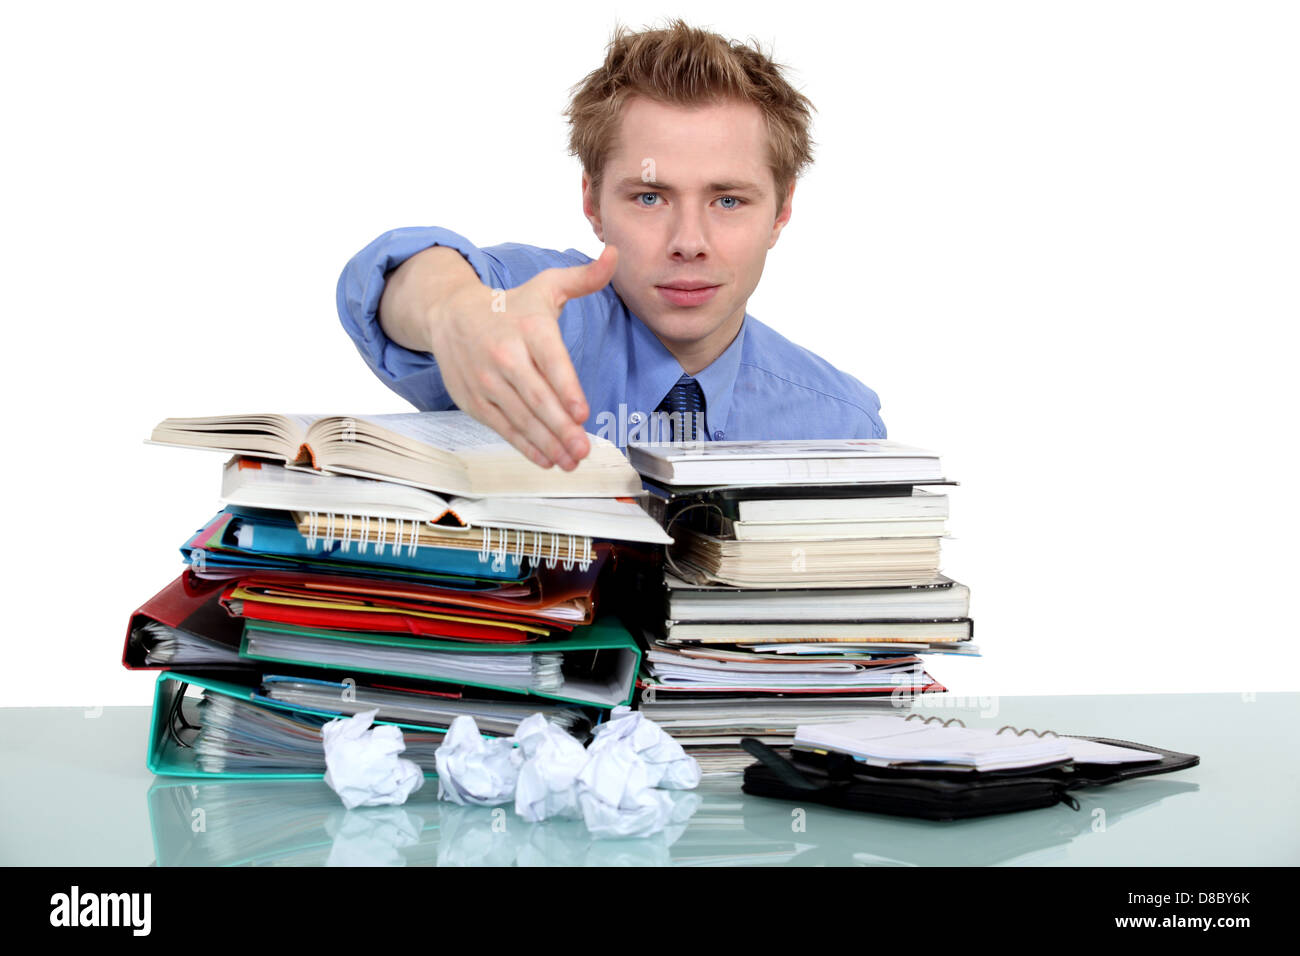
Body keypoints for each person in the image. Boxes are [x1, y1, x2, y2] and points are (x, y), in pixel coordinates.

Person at [337, 18, 886, 472]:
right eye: (650, 198)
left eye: (728, 201)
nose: (689, 243)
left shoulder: (842, 430)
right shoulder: (545, 325)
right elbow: (403, 274)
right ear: (593, 202)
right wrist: (454, 310)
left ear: (782, 209)